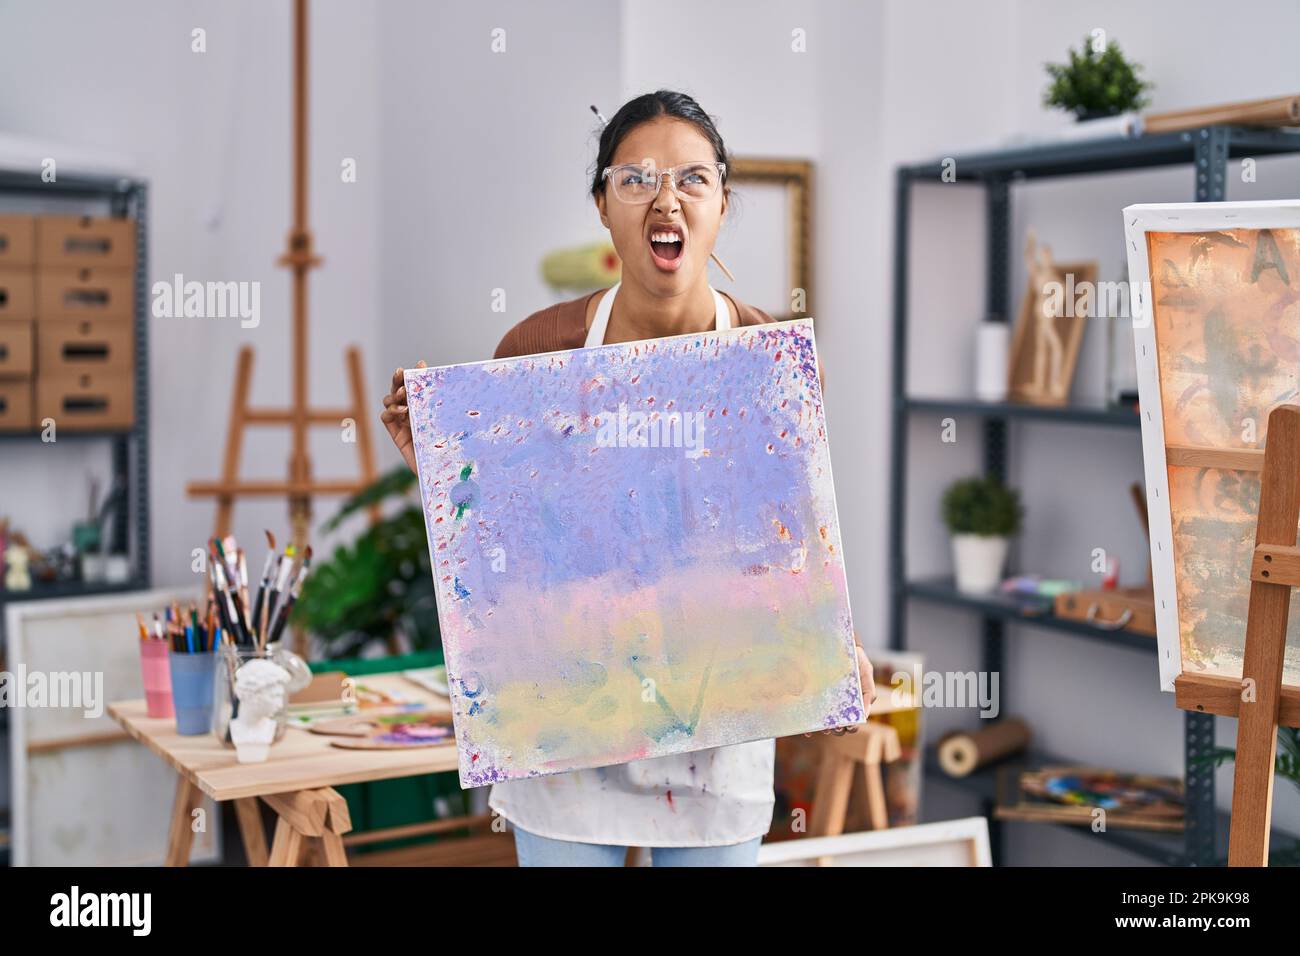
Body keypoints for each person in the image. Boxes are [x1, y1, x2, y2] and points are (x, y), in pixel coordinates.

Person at [381, 90, 874, 867]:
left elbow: (790, 546)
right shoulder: (537, 350)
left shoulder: (767, 359)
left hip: (719, 738)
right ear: (604, 207)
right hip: (568, 730)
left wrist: (831, 646)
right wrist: (446, 475)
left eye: (692, 179)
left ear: (720, 204)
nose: (665, 198)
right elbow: (509, 559)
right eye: (635, 179)